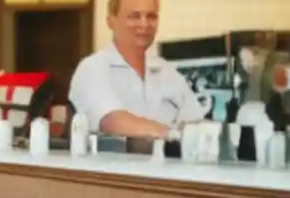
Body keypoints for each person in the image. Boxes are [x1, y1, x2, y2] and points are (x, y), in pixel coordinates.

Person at [69, 0, 206, 139]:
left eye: (151, 16)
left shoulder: (168, 72)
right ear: (111, 21)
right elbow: (114, 122)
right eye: (134, 16)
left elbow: (198, 124)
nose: (144, 24)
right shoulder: (92, 68)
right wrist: (174, 134)